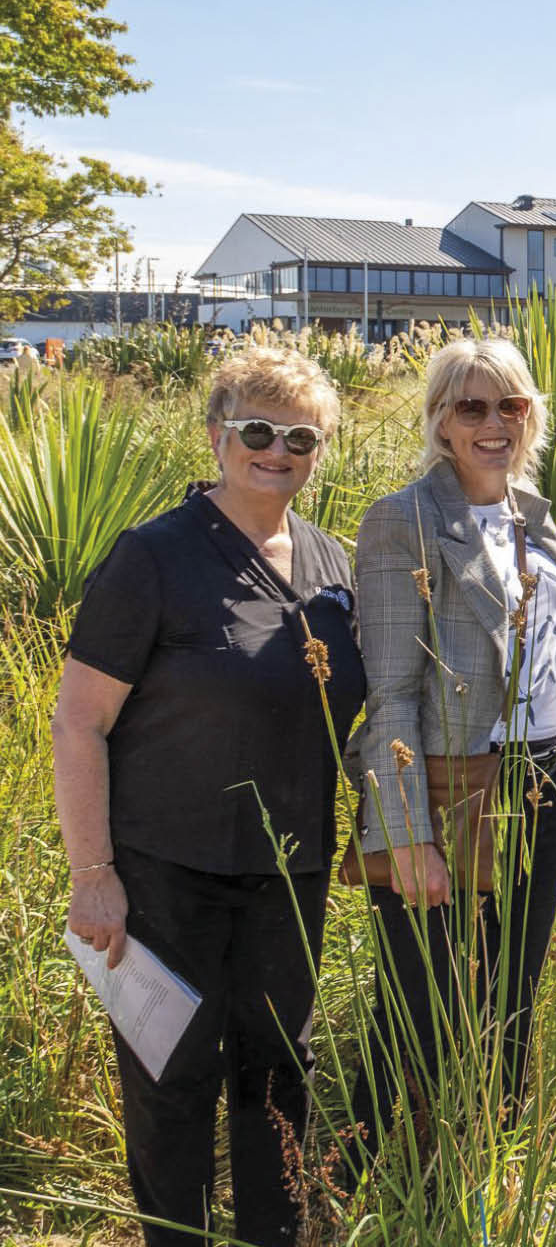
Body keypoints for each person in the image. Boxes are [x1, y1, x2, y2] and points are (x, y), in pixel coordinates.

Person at [54, 348, 365, 1246]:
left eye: (300, 437)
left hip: (288, 873)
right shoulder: (152, 558)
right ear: (217, 434)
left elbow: (357, 716)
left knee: (279, 1080)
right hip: (164, 875)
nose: (277, 451)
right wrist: (94, 873)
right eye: (257, 431)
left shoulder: (332, 563)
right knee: (171, 1083)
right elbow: (79, 722)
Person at [339, 337, 556, 1174]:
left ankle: (476, 1174)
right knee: (418, 1006)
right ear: (442, 423)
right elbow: (387, 695)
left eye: (511, 405)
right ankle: (339, 1183)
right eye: (472, 408)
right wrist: (407, 832)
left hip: (543, 775)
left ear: (531, 415)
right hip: (453, 783)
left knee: (511, 999)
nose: (495, 423)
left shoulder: (531, 510)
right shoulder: (405, 518)